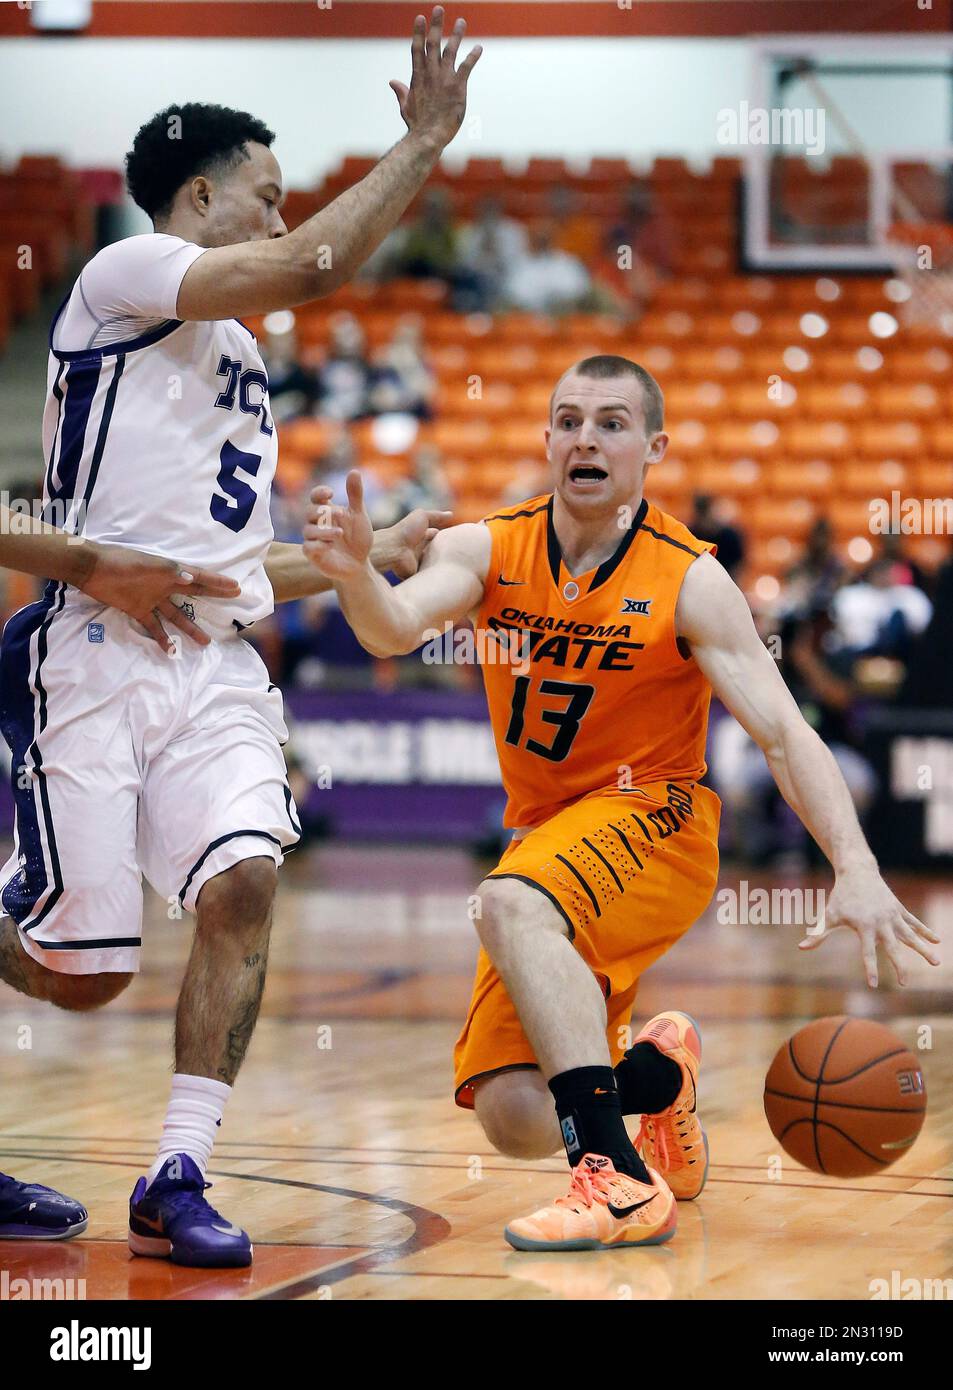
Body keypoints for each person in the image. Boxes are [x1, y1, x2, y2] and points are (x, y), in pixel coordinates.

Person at [0, 6, 480, 1265]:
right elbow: (315, 266)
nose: (283, 214)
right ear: (199, 196)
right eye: (267, 194)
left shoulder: (243, 359)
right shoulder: (123, 276)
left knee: (247, 882)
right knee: (85, 972)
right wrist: (422, 143)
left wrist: (360, 558)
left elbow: (221, 570)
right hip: (89, 656)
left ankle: (178, 1172)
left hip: (211, 662)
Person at [303, 353, 941, 1252]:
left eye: (610, 424)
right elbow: (393, 628)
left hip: (657, 820)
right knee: (514, 1115)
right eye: (568, 422)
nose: (585, 440)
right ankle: (659, 1078)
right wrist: (352, 574)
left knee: (508, 903)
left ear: (652, 448)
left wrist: (856, 866)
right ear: (547, 440)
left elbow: (783, 733)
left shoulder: (689, 578)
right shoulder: (484, 547)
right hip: (546, 838)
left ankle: (618, 1185)